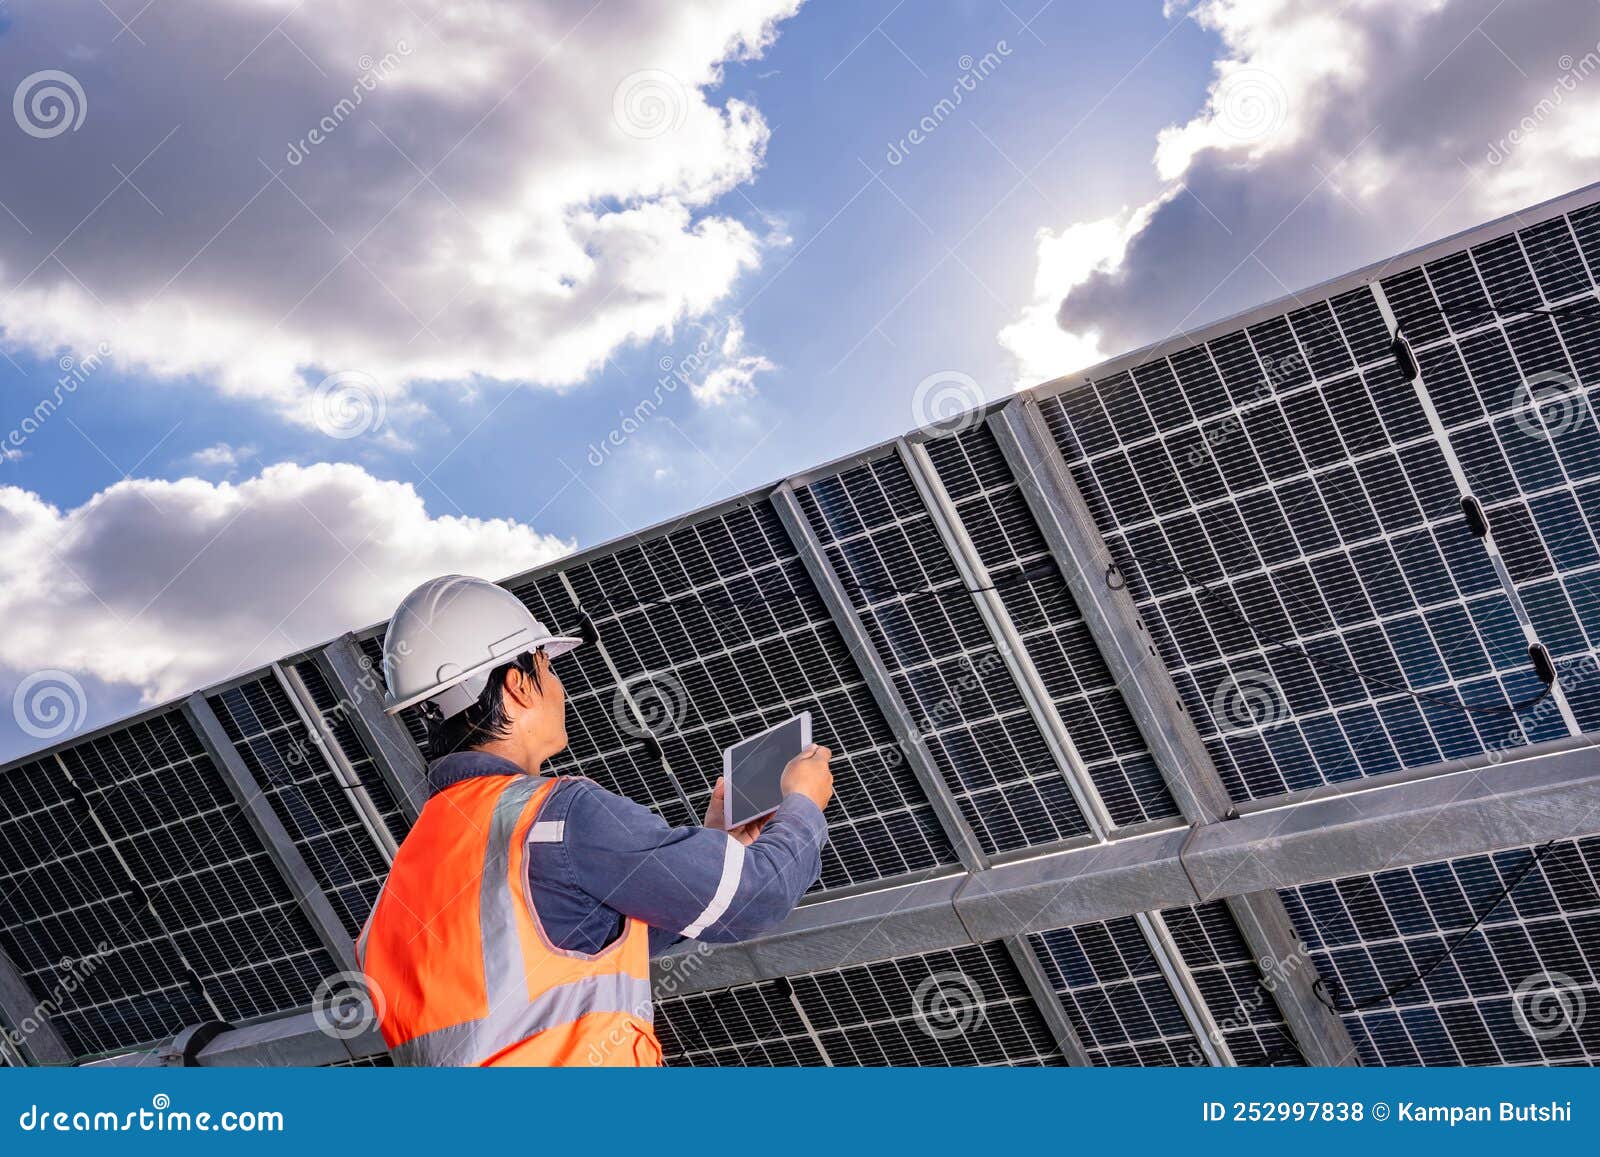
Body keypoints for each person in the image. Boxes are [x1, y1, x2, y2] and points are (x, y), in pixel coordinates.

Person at [356, 575, 834, 1067]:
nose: (560, 687)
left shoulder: (397, 892)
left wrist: (715, 848)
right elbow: (756, 898)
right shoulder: (557, 817)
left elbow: (571, 947)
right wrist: (803, 804)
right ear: (520, 686)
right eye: (547, 665)